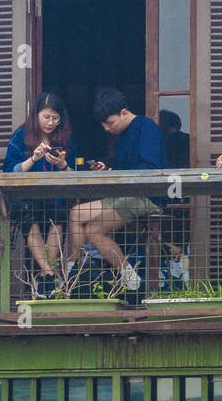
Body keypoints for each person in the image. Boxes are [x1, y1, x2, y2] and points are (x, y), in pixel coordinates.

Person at [65, 87, 166, 294]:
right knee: (92, 230)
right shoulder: (120, 136)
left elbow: (151, 168)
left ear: (124, 112)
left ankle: (71, 275)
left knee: (76, 213)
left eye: (110, 123)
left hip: (146, 196)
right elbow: (125, 169)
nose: (106, 128)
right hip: (127, 196)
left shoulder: (146, 127)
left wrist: (118, 174)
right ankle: (132, 279)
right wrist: (109, 169)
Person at [3, 91, 76, 297]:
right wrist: (33, 158)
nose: (50, 123)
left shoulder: (65, 139)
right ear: (36, 115)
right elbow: (9, 171)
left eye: (55, 118)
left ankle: (45, 278)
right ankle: (50, 276)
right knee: (29, 216)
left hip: (55, 198)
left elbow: (76, 175)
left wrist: (62, 165)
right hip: (27, 198)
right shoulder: (22, 135)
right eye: (46, 117)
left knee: (58, 218)